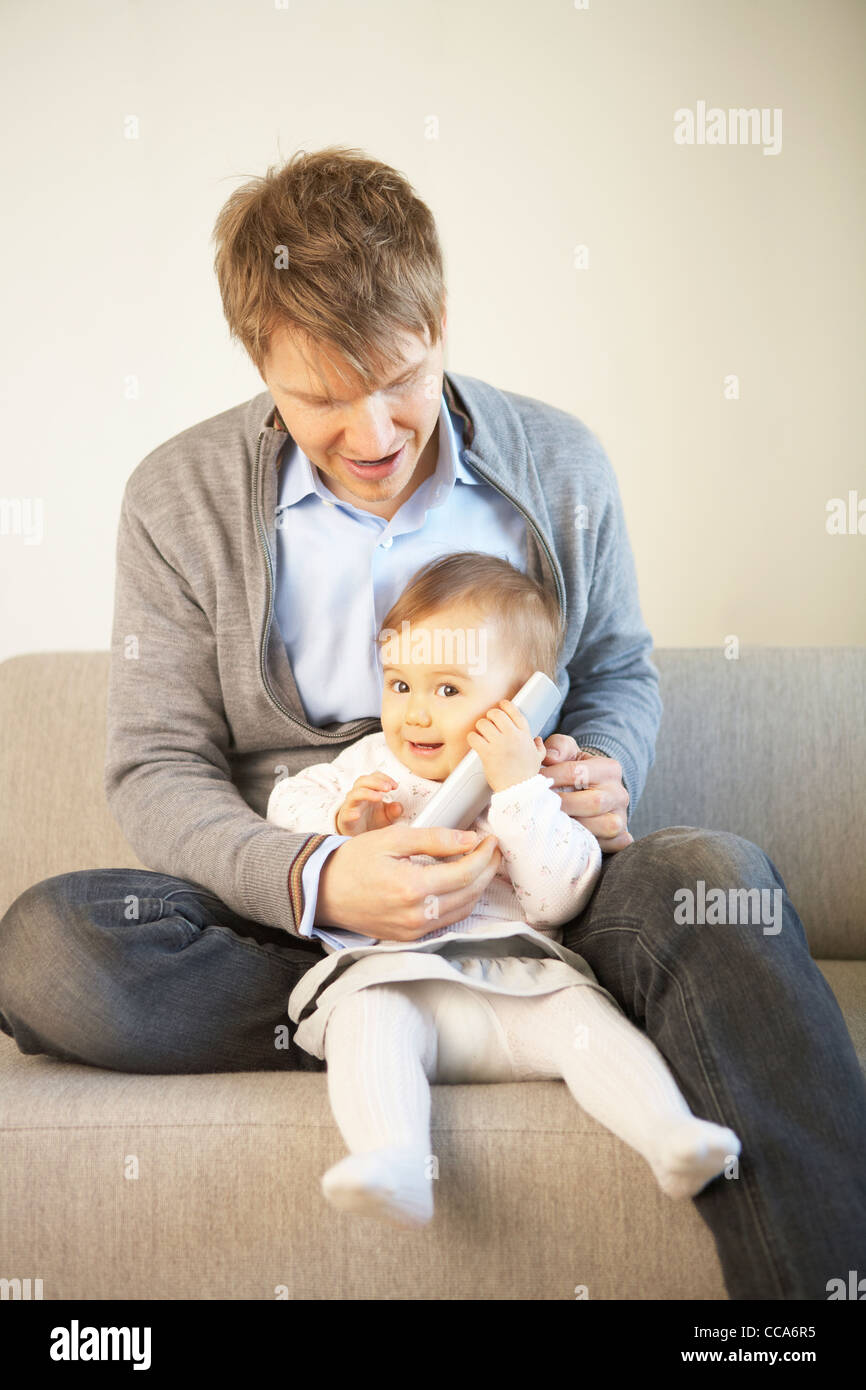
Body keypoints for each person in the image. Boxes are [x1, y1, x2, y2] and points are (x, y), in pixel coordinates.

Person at [0, 145, 863, 1298]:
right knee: (53, 948)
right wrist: (318, 876)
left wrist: (601, 764)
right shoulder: (177, 496)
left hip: (533, 884)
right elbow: (157, 765)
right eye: (319, 396)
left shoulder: (557, 465)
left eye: (399, 378)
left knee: (722, 877)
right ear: (257, 358)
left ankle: (814, 1312)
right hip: (298, 921)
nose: (370, 434)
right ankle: (431, 1005)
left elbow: (613, 670)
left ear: (440, 319)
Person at [265, 549, 742, 1227]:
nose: (416, 715)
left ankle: (671, 1135)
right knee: (366, 1019)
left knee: (585, 1020)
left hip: (517, 986)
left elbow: (560, 897)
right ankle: (392, 1160)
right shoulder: (369, 765)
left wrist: (517, 788)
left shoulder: (541, 788)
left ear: (526, 704)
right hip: (397, 980)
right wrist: (348, 829)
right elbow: (281, 808)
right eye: (399, 685)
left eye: (448, 690)